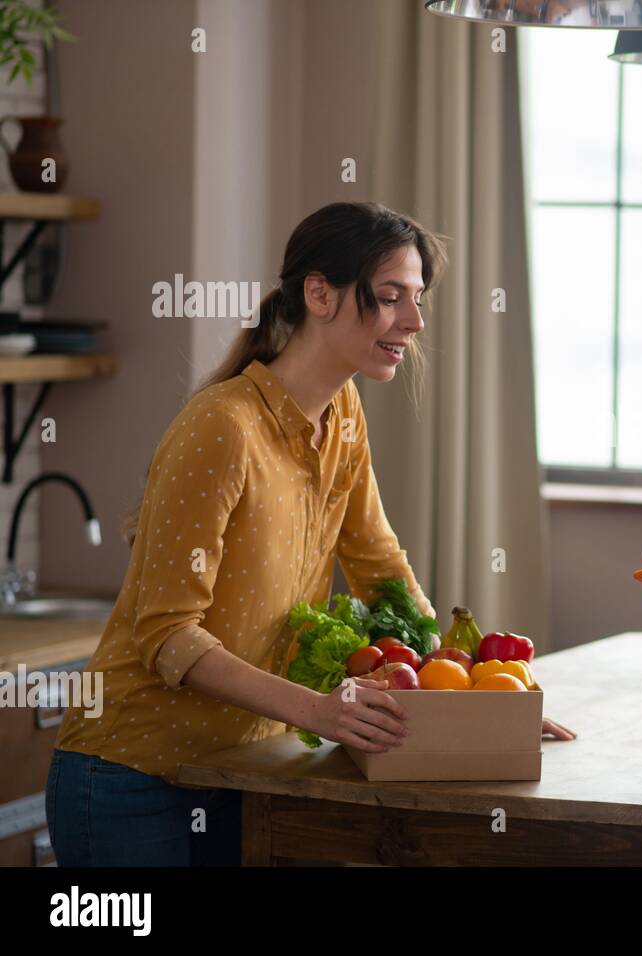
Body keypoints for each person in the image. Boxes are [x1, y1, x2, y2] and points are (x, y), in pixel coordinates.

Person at [47, 201, 574, 866]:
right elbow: (165, 634)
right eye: (389, 298)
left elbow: (380, 567)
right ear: (318, 294)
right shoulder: (223, 428)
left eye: (417, 300)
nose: (414, 322)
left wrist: (471, 704)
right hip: (130, 776)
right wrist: (318, 711)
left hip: (244, 770)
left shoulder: (342, 414)